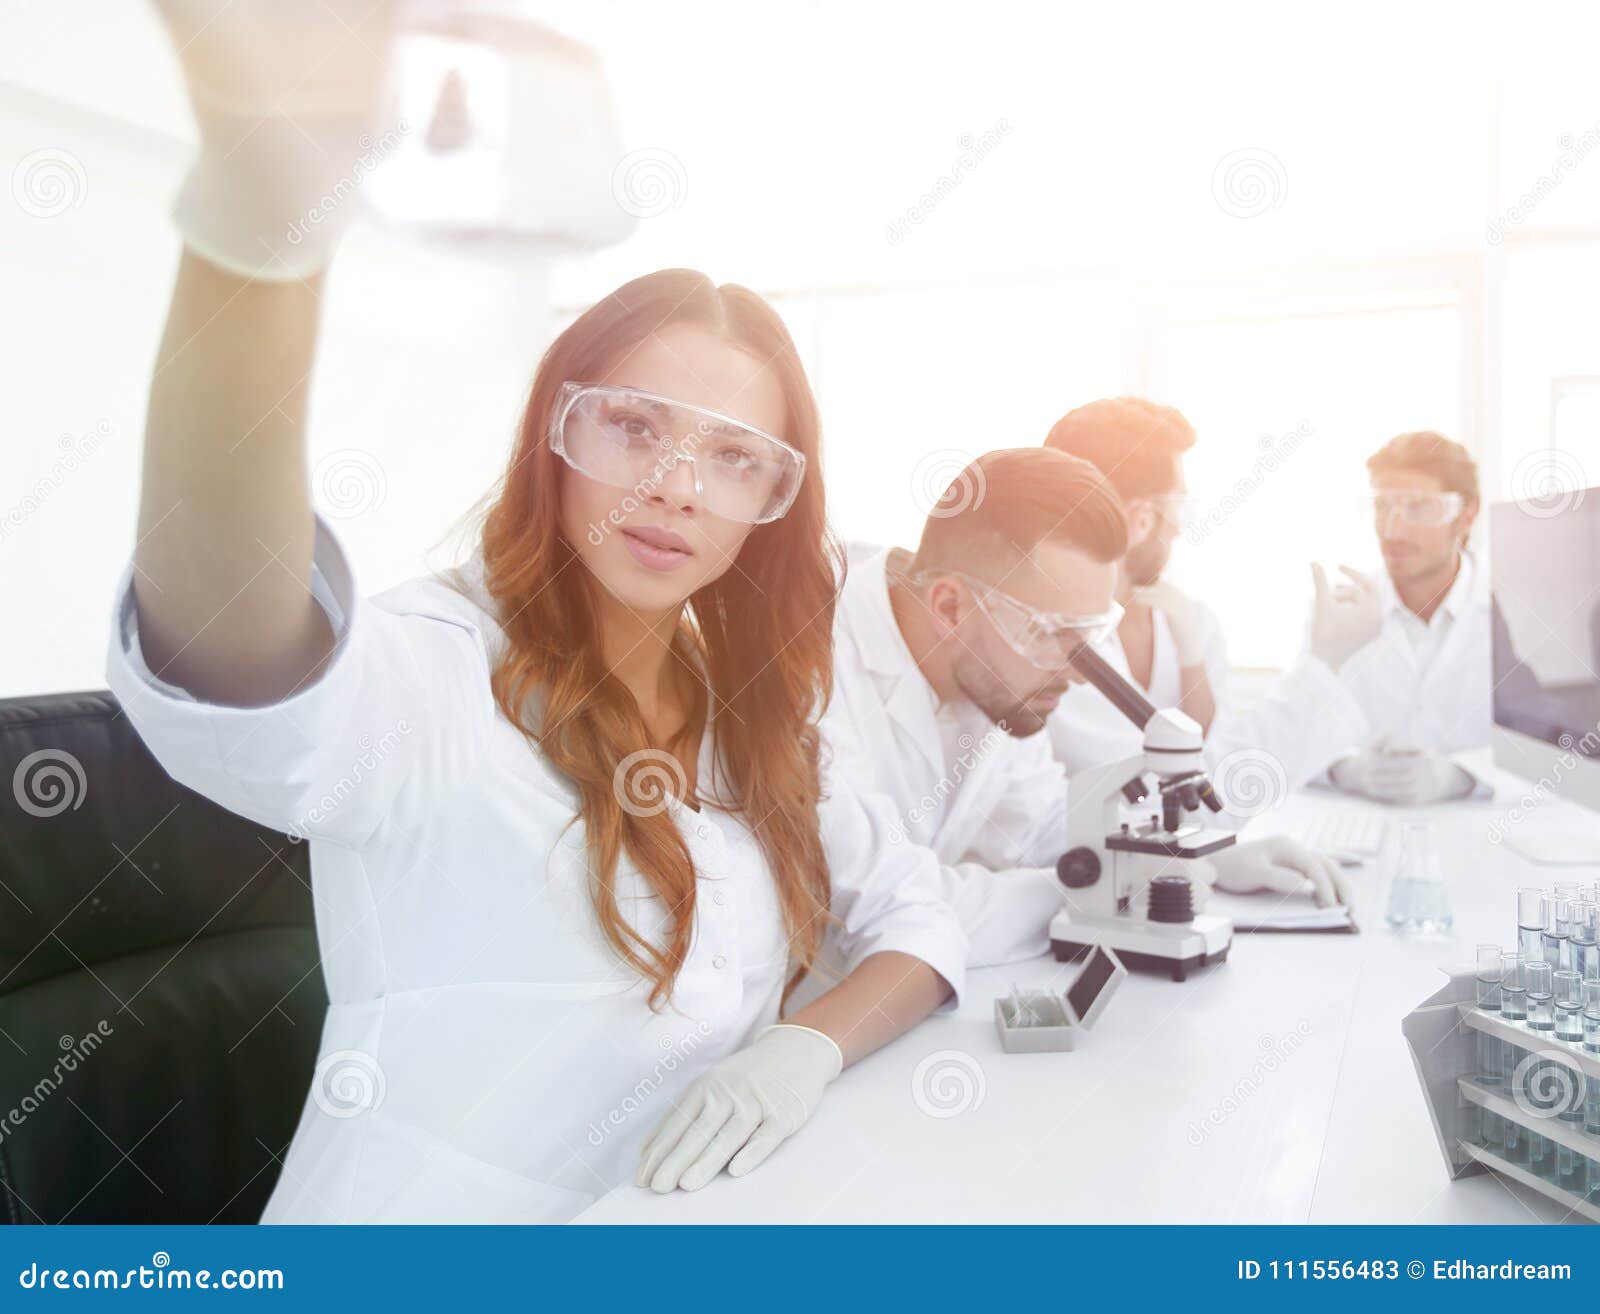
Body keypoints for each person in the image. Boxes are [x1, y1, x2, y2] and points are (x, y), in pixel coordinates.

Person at [107, 1, 966, 1223]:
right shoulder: (445, 674)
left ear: (772, 506)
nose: (677, 486)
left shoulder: (755, 712)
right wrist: (263, 221)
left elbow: (918, 918)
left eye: (734, 457)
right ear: (554, 437)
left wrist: (809, 1042)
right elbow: (232, 639)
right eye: (634, 427)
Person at [821, 448, 1349, 968]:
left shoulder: (993, 668)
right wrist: (1098, 889)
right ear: (950, 607)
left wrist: (1195, 858)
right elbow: (889, 904)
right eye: (1055, 634)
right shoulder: (818, 667)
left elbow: (1040, 825)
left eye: (1090, 637)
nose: (1077, 674)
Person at [1041, 398, 1375, 795]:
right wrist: (1324, 664)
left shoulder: (1192, 621)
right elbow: (1182, 793)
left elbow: (1218, 744)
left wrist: (1192, 657)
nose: (1179, 528)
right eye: (1177, 506)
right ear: (1139, 519)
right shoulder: (1052, 648)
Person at [1321, 431, 1492, 804]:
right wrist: (1347, 768)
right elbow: (1293, 733)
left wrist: (1463, 776)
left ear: (1466, 514)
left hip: (1489, 828)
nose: (1392, 530)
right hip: (1362, 827)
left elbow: (1560, 756)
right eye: (1383, 507)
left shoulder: (1512, 611)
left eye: (1418, 507)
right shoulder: (1341, 610)